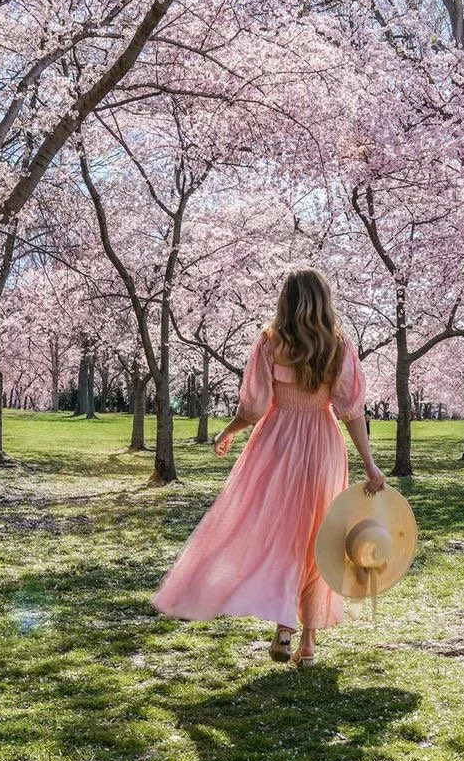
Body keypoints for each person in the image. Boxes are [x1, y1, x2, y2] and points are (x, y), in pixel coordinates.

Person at [151, 268, 385, 666]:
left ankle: (284, 627)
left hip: (275, 444)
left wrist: (229, 430)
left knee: (281, 534)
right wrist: (370, 464)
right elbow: (350, 411)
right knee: (320, 538)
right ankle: (308, 644)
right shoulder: (338, 346)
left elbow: (256, 406)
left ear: (286, 301)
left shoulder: (270, 342)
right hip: (322, 447)